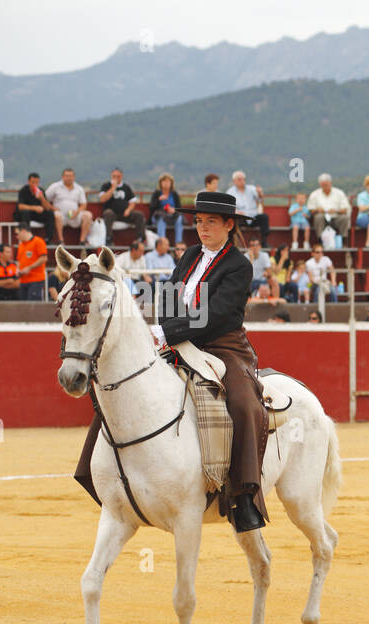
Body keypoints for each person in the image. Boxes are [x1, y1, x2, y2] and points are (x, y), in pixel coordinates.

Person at [75, 191, 267, 532]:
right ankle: (94, 469)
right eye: (198, 221)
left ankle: (244, 494)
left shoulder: (239, 265)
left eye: (210, 222)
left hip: (223, 347)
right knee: (121, 386)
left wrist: (171, 330)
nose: (202, 228)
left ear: (228, 224)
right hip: (178, 340)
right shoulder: (191, 254)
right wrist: (166, 326)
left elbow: (219, 314)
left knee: (243, 402)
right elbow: (167, 293)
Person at [46, 168, 94, 244]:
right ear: (62, 177)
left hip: (74, 216)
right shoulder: (55, 186)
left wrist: (77, 212)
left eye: (70, 176)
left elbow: (84, 204)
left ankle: (82, 241)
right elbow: (45, 200)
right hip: (60, 216)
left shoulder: (79, 188)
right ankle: (60, 240)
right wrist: (53, 208)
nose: (68, 178)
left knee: (88, 215)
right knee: (56, 215)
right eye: (66, 176)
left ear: (74, 177)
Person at [98, 168, 146, 242]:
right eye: (114, 176)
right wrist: (113, 188)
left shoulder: (126, 187)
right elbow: (102, 199)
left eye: (118, 176)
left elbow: (133, 201)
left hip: (124, 213)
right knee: (108, 213)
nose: (116, 178)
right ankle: (109, 239)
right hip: (112, 213)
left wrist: (128, 210)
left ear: (122, 176)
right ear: (111, 176)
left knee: (139, 215)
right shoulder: (106, 186)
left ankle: (140, 239)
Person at [227, 171, 269, 245]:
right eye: (239, 179)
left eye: (243, 179)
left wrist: (260, 193)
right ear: (234, 181)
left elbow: (260, 199)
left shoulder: (252, 188)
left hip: (253, 216)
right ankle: (237, 244)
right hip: (241, 217)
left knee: (264, 217)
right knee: (234, 220)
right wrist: (236, 212)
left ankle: (264, 243)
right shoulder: (230, 192)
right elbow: (229, 207)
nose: (242, 181)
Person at [307, 174, 350, 245]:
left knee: (345, 218)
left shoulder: (339, 193)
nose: (325, 186)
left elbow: (345, 209)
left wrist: (336, 211)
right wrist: (318, 210)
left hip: (336, 217)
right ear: (320, 184)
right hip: (322, 220)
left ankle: (344, 242)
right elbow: (311, 210)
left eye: (326, 184)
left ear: (330, 183)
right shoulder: (314, 194)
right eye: (323, 185)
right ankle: (320, 241)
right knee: (318, 217)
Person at [14, 172, 57, 241]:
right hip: (25, 215)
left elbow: (47, 207)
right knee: (25, 213)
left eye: (37, 183)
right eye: (33, 182)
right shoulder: (23, 190)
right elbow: (20, 206)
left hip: (36, 215)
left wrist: (42, 198)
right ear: (28, 182)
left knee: (50, 214)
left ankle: (49, 239)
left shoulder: (41, 191)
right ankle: (27, 237)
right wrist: (34, 208)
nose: (35, 185)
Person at [148, 174, 184, 245]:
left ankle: (178, 244)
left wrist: (174, 210)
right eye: (164, 181)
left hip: (172, 216)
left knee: (179, 218)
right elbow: (151, 207)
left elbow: (179, 208)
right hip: (158, 215)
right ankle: (162, 243)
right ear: (160, 183)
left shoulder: (174, 194)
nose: (166, 184)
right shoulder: (157, 193)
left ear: (171, 183)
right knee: (161, 219)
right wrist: (158, 200)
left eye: (168, 182)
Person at [15, 224, 48, 300]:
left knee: (33, 307)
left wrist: (29, 268)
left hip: (35, 280)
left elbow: (44, 258)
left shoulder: (38, 242)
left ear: (23, 231)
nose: (16, 236)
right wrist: (18, 270)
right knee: (24, 307)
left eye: (17, 233)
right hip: (23, 280)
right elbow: (19, 261)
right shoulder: (21, 245)